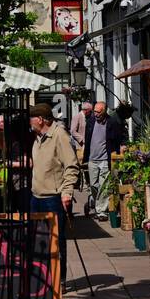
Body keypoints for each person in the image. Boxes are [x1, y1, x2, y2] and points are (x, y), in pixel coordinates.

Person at [29, 103, 80, 272]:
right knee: (38, 240)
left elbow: (71, 165)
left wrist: (67, 192)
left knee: (57, 239)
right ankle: (44, 278)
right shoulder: (38, 138)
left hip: (54, 197)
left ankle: (60, 279)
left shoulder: (59, 135)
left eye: (31, 119)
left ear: (40, 119)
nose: (30, 122)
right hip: (36, 197)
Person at [83, 101, 124, 221]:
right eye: (95, 111)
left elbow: (119, 138)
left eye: (98, 112)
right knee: (93, 185)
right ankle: (97, 203)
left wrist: (121, 146)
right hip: (92, 159)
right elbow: (87, 138)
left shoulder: (112, 123)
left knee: (104, 185)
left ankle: (101, 211)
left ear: (104, 111)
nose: (95, 114)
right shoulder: (90, 122)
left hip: (105, 159)